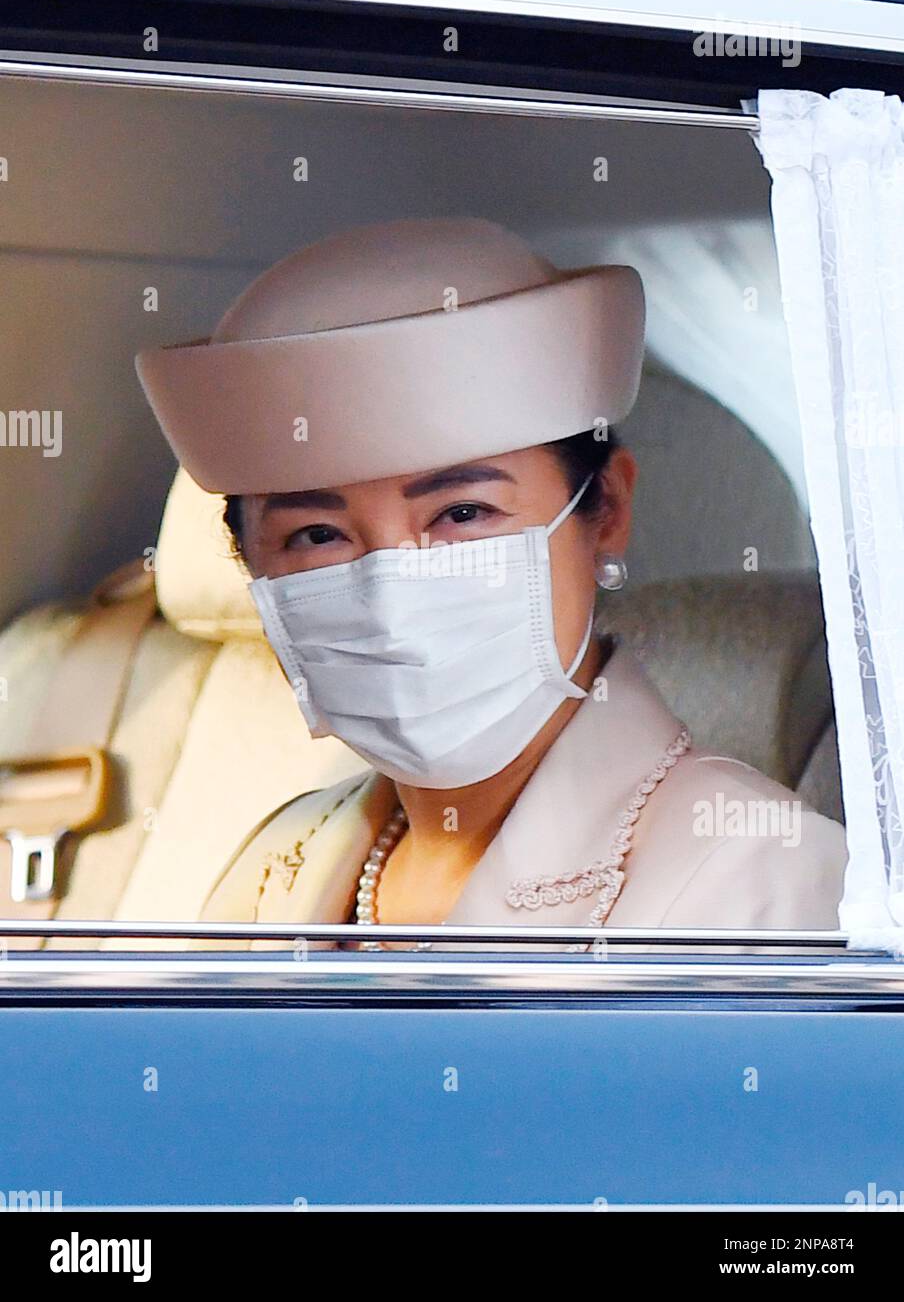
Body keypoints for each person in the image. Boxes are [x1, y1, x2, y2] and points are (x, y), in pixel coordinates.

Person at [136, 216, 847, 949]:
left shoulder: (770, 886)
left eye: (461, 513)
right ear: (249, 562)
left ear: (605, 510)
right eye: (318, 535)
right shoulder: (269, 870)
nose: (388, 598)